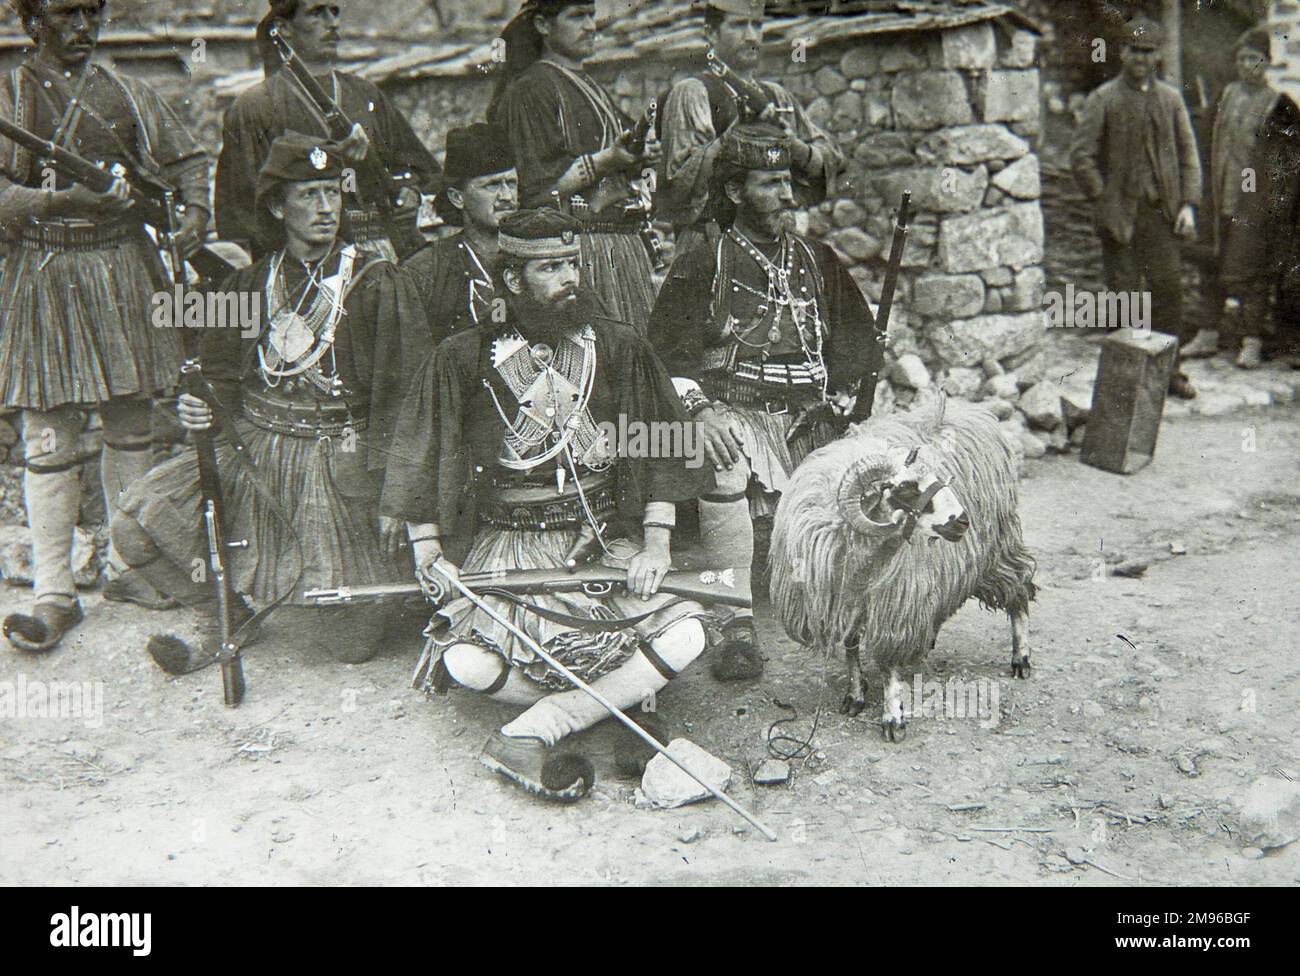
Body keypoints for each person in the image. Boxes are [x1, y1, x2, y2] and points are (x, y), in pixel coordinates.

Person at [381, 209, 713, 801]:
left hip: (601, 535)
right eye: (550, 268)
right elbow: (418, 453)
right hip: (507, 542)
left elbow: (667, 440)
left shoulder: (617, 347)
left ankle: (539, 725)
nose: (570, 279)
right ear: (513, 281)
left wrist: (657, 541)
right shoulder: (464, 357)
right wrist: (428, 549)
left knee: (686, 634)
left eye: (573, 264)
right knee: (466, 663)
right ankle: (616, 701)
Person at [109, 134, 435, 669]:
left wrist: (400, 495)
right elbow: (214, 375)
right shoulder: (248, 283)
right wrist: (200, 406)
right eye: (308, 195)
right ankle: (227, 611)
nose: (325, 208)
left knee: (347, 645)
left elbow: (410, 399)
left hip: (338, 456)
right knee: (133, 528)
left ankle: (335, 587)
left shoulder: (377, 284)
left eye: (332, 192)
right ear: (279, 206)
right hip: (255, 449)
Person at [0, 0, 210, 652]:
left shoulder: (125, 90)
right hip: (46, 265)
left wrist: (196, 211)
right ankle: (55, 593)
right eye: (65, 12)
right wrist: (62, 199)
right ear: (32, 21)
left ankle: (127, 568)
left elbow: (189, 158)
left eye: (91, 10)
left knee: (131, 418)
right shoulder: (10, 93)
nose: (82, 25)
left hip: (122, 265)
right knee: (47, 427)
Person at [647, 123, 883, 681]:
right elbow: (664, 351)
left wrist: (848, 395)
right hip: (734, 409)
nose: (787, 196)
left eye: (789, 182)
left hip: (809, 415)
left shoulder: (816, 258)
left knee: (870, 482)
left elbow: (857, 338)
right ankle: (735, 624)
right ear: (734, 192)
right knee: (722, 465)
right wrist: (701, 412)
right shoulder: (707, 258)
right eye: (770, 183)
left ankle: (848, 604)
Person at [214, 0, 440, 261]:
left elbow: (424, 170)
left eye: (334, 12)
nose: (333, 23)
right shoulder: (254, 107)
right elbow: (242, 212)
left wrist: (410, 193)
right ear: (283, 27)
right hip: (302, 263)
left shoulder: (365, 94)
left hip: (382, 256)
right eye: (316, 13)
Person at [489, 0, 659, 333]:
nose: (591, 26)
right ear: (542, 25)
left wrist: (641, 150)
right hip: (577, 254)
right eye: (577, 16)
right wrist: (606, 160)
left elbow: (621, 153)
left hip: (621, 249)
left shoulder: (589, 85)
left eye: (592, 16)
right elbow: (532, 189)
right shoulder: (530, 90)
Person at [1070, 17, 1201, 399]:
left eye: (1148, 52)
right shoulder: (1104, 99)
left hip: (1161, 215)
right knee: (1124, 296)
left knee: (1168, 293)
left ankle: (1169, 372)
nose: (1141, 59)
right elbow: (1081, 157)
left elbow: (1189, 155)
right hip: (1120, 216)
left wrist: (1189, 204)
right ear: (1122, 53)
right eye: (1134, 51)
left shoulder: (1171, 100)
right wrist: (1103, 199)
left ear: (1158, 56)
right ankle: (1126, 380)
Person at [657, 0, 841, 260]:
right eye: (739, 25)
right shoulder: (694, 92)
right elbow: (680, 186)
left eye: (757, 24)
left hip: (777, 245)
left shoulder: (777, 96)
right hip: (712, 246)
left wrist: (796, 147)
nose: (751, 35)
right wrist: (731, 138)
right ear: (711, 33)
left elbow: (830, 160)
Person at [1188, 25, 1300, 369]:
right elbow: (1202, 144)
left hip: (1256, 205)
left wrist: (1274, 206)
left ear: (1266, 63)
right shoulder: (1224, 98)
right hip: (1219, 196)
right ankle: (1207, 335)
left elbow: (1289, 165)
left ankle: (1251, 341)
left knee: (1253, 273)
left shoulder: (1281, 106)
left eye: (1254, 58)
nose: (1246, 65)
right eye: (1241, 58)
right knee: (1211, 264)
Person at [402, 123, 518, 336]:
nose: (507, 197)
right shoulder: (425, 270)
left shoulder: (537, 256)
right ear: (457, 197)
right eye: (492, 185)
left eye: (511, 183)